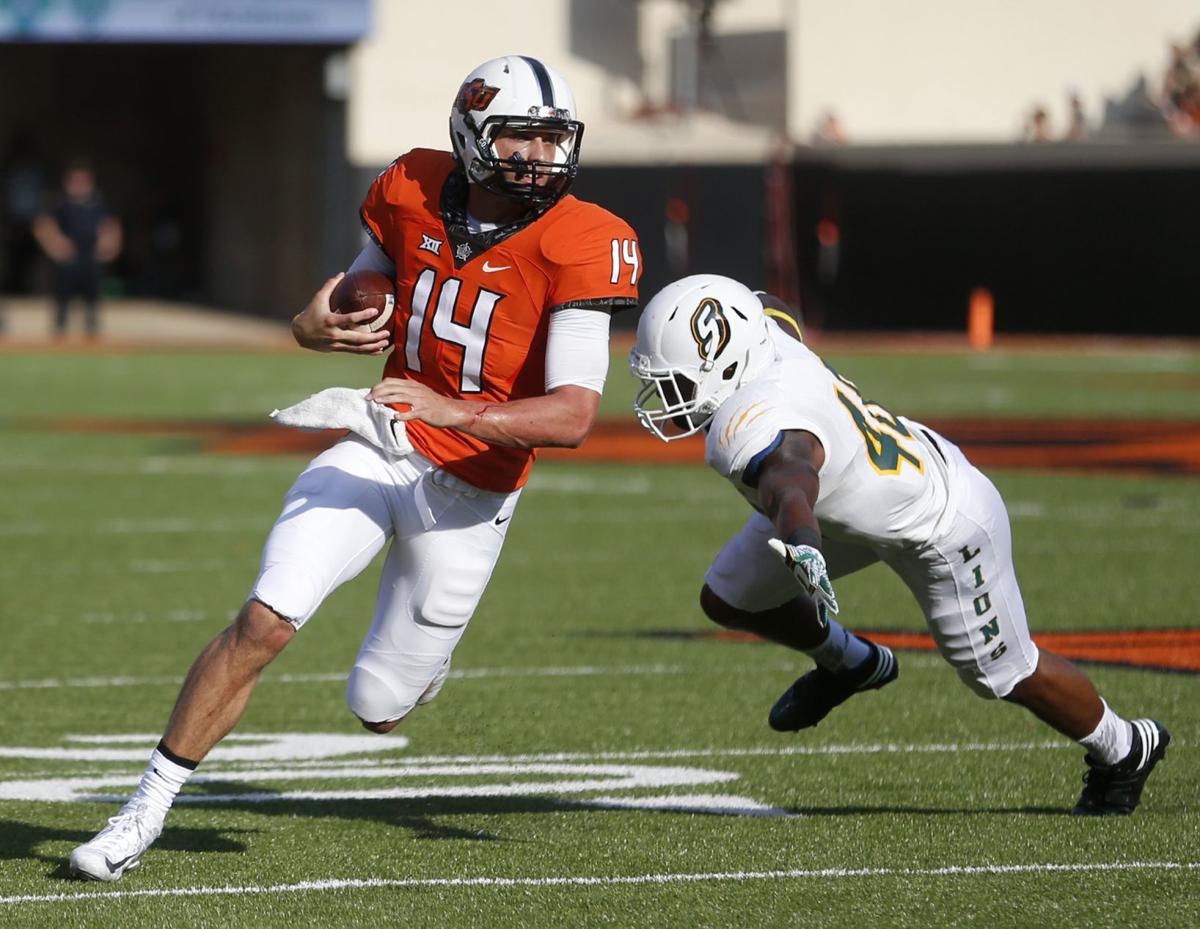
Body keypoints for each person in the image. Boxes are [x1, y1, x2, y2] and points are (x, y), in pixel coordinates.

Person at [69, 55, 641, 882]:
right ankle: (142, 811)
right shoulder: (412, 184)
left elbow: (574, 415)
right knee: (266, 618)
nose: (537, 158)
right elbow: (355, 297)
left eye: (551, 141)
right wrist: (312, 323)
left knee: (376, 707)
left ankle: (420, 665)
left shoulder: (587, 238)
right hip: (379, 442)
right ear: (473, 133)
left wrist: (453, 409)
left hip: (473, 492)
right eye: (519, 137)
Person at [629, 274, 1171, 816]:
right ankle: (851, 663)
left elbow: (792, 481)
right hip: (855, 505)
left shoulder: (750, 428)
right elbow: (772, 307)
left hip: (939, 523)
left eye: (677, 385)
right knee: (728, 597)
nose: (667, 400)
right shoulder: (765, 339)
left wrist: (801, 542)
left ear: (727, 368)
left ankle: (1124, 747)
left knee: (1003, 673)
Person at [32, 160, 122, 337]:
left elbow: (111, 224)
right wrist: (55, 244)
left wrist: (111, 243)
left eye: (84, 181)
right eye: (75, 180)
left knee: (92, 295)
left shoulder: (98, 202)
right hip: (69, 252)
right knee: (63, 295)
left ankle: (92, 331)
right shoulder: (60, 202)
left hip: (90, 252)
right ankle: (60, 331)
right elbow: (43, 224)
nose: (79, 185)